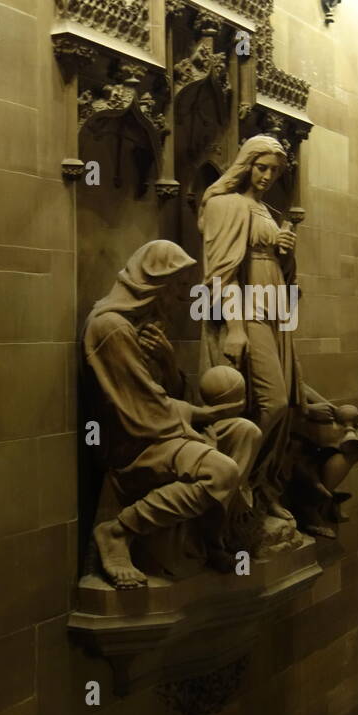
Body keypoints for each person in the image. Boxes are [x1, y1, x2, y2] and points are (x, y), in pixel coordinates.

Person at [83, 240, 261, 588]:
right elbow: (141, 412)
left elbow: (167, 393)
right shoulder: (111, 328)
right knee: (221, 473)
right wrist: (205, 414)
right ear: (155, 282)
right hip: (136, 445)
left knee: (245, 433)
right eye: (178, 284)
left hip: (162, 430)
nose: (183, 295)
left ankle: (212, 533)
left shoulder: (146, 325)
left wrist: (168, 364)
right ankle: (118, 530)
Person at [197, 134, 304, 518]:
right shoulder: (227, 204)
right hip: (251, 310)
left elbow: (283, 273)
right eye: (262, 168)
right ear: (247, 164)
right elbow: (221, 272)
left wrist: (286, 256)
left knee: (286, 404)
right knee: (271, 400)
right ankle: (236, 482)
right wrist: (236, 327)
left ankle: (261, 486)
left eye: (275, 171)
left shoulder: (267, 211)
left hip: (276, 310)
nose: (268, 176)